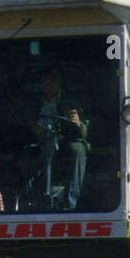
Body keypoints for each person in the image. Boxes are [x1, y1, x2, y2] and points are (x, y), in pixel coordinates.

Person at [29, 67, 88, 209]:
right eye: (48, 79)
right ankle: (36, 199)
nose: (51, 83)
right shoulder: (32, 104)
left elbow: (84, 133)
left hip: (63, 143)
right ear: (42, 82)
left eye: (55, 79)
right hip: (37, 142)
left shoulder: (71, 103)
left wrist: (78, 124)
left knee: (77, 150)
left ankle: (70, 202)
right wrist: (31, 127)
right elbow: (23, 122)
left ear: (60, 83)